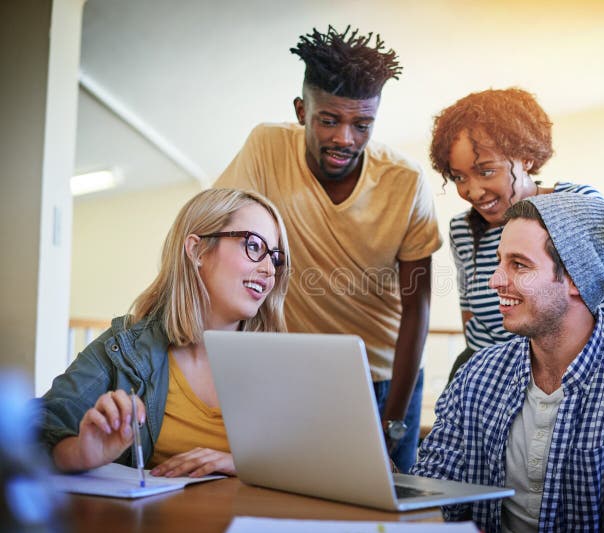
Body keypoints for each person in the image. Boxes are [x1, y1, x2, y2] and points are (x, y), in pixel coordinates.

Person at [214, 26, 441, 472]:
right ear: (302, 111)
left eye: (362, 125)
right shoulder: (265, 147)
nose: (345, 139)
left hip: (382, 380)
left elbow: (418, 304)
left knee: (384, 508)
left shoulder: (407, 182)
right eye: (329, 120)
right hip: (289, 370)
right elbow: (221, 239)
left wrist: (393, 419)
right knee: (290, 496)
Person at [412, 193, 604, 533]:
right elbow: (431, 497)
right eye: (499, 261)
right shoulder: (478, 374)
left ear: (574, 279)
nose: (495, 280)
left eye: (519, 265)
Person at [39, 188, 290, 477]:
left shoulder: (282, 364)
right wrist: (81, 452)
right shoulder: (124, 349)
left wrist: (245, 464)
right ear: (197, 251)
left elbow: (322, 460)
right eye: (255, 246)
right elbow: (36, 427)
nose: (270, 270)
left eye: (275, 257)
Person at [429, 88, 604, 382]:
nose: (472, 191)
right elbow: (471, 318)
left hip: (571, 379)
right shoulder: (462, 229)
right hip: (488, 378)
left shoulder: (576, 206)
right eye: (459, 177)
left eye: (486, 171)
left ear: (525, 157)